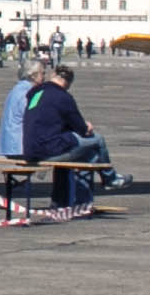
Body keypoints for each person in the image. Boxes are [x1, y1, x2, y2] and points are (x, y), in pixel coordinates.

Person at [19, 62, 129, 197]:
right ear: (69, 83)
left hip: (31, 148)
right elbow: (82, 129)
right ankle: (110, 179)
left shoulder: (37, 93)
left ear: (53, 75)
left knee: (91, 156)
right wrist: (86, 126)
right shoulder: (63, 97)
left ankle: (73, 202)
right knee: (98, 140)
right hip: (46, 149)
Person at [0, 54, 50, 159]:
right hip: (20, 148)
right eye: (42, 74)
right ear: (33, 76)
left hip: (9, 145)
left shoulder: (17, 89)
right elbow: (34, 117)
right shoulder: (30, 93)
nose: (44, 77)